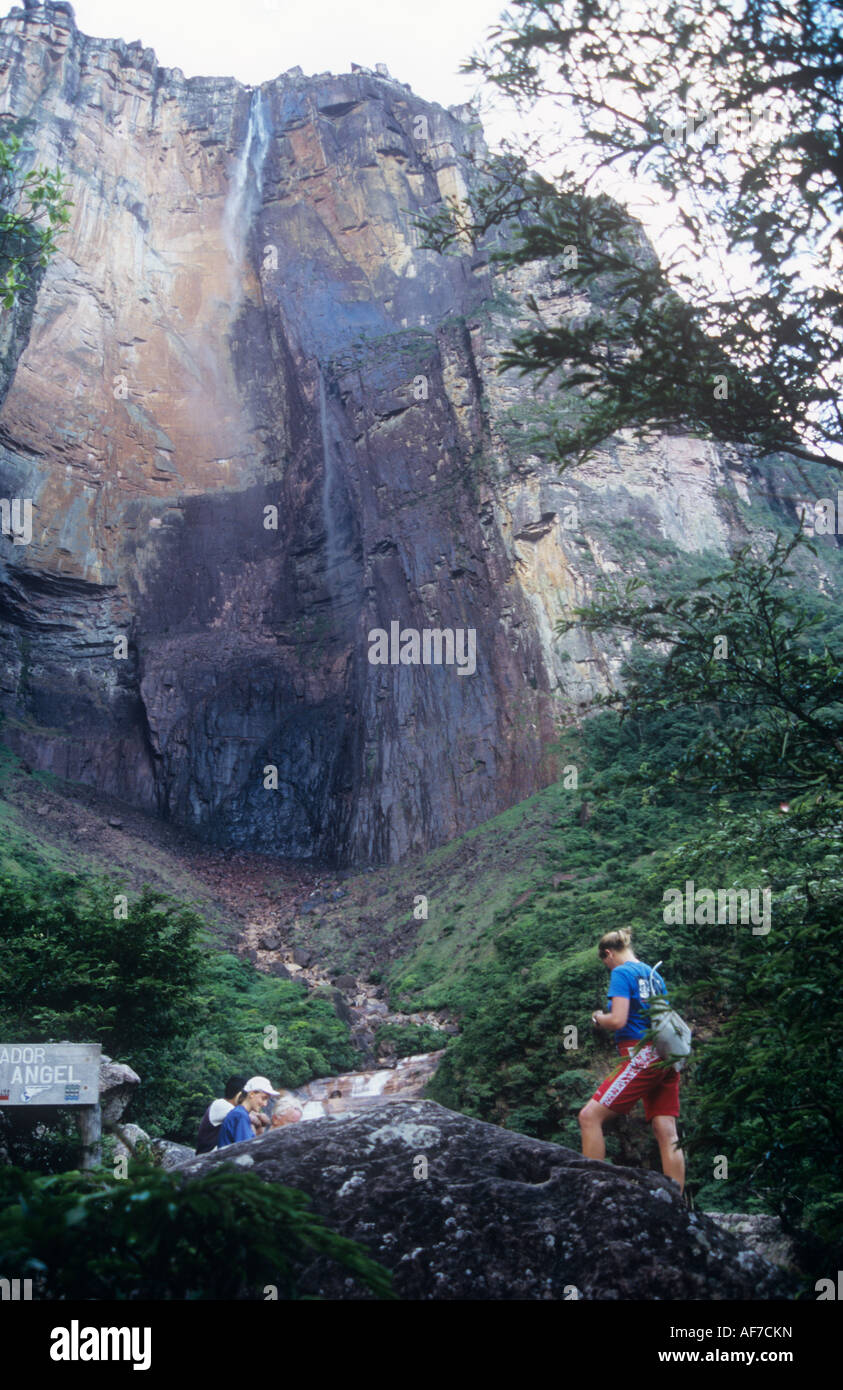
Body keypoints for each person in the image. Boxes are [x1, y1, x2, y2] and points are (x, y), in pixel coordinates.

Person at [578, 929, 685, 1193]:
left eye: (606, 962)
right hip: (666, 1057)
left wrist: (597, 1018)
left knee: (589, 1117)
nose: (608, 967)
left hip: (641, 1056)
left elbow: (618, 1020)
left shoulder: (621, 973)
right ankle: (677, 1201)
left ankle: (592, 1189)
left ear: (608, 954)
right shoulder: (653, 974)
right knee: (666, 1129)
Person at [216, 1076, 281, 1149]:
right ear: (252, 1094)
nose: (265, 1104)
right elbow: (246, 1149)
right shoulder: (240, 1115)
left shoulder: (240, 1113)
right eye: (263, 1098)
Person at [195, 1075, 247, 1155]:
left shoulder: (224, 1105)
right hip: (206, 1156)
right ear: (239, 1095)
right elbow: (248, 1117)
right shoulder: (222, 1105)